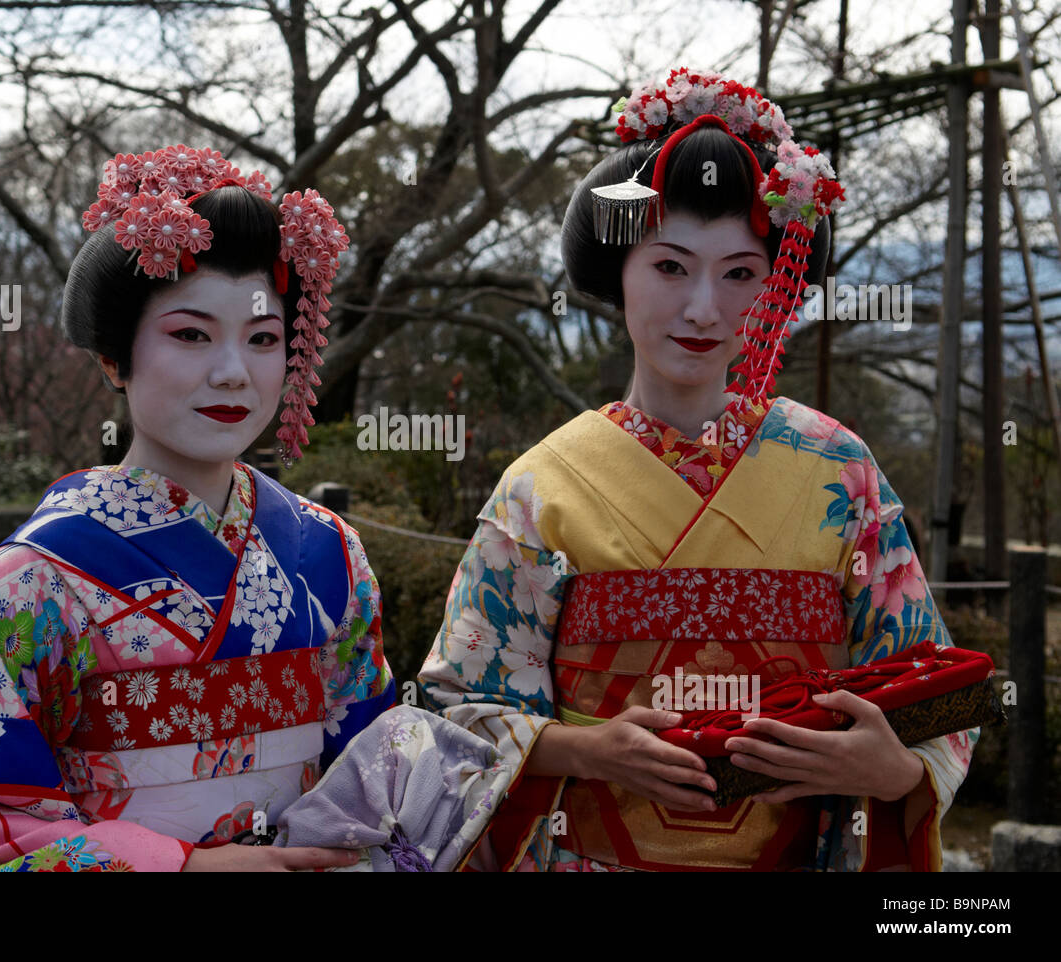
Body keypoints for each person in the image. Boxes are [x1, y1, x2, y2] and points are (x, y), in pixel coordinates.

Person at [418, 68, 978, 871]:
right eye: (670, 267)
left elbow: (940, 692)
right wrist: (586, 751)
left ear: (778, 288)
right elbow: (453, 709)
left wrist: (891, 771)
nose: (703, 309)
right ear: (619, 272)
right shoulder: (544, 485)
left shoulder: (841, 470)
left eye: (742, 274)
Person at [0, 146, 399, 871]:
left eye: (263, 340)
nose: (231, 371)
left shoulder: (328, 553)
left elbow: (371, 762)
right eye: (190, 335)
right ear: (114, 359)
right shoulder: (38, 576)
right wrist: (179, 866)